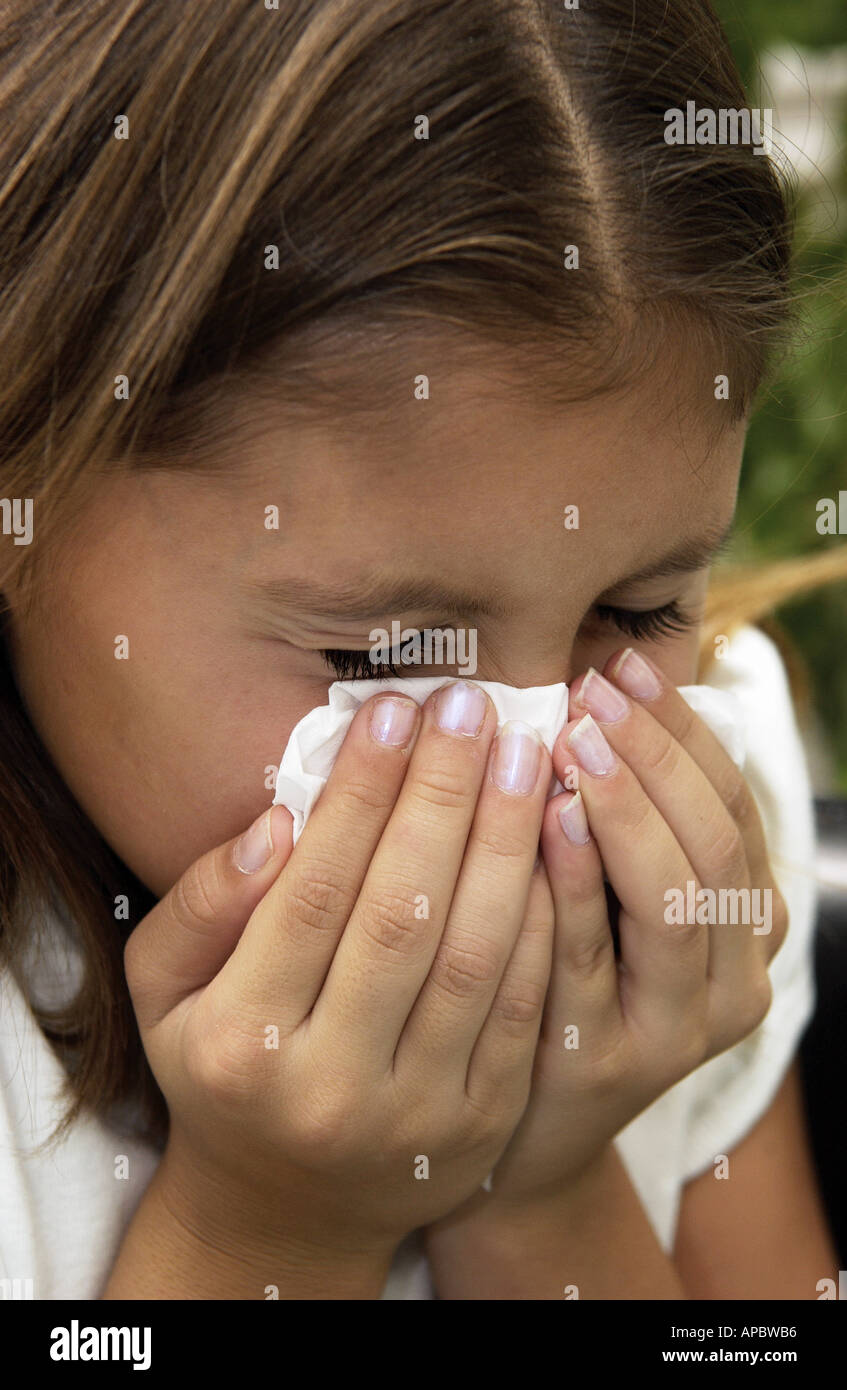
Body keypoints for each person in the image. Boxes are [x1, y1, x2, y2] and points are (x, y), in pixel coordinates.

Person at [0, 0, 842, 1300]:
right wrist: (265, 1229)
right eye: (390, 654)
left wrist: (546, 1190)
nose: (535, 756)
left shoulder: (700, 890)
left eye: (639, 610)